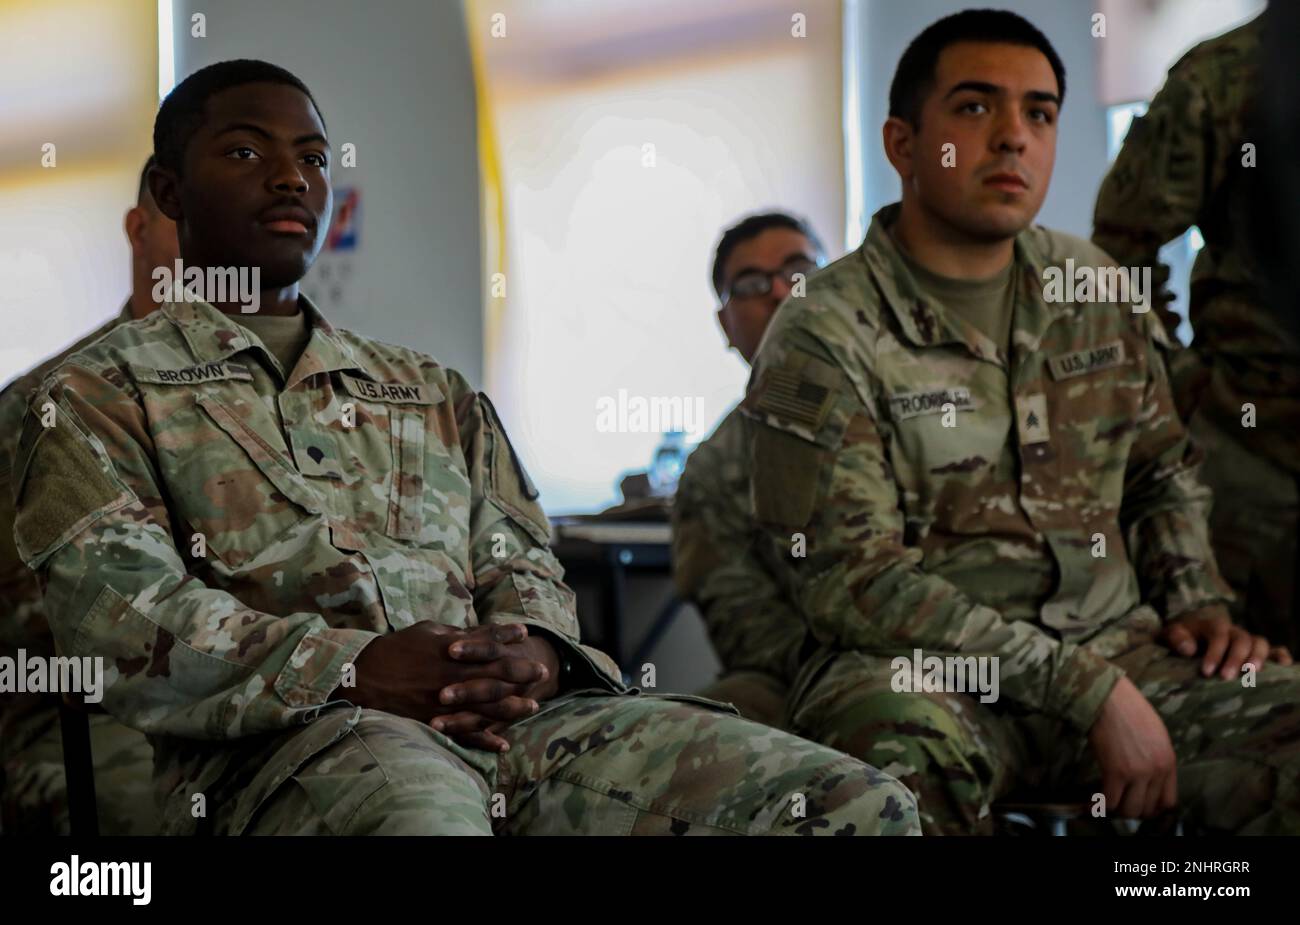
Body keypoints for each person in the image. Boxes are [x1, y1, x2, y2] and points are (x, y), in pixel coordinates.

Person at [9, 59, 919, 836]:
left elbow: (520, 561)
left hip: (512, 729)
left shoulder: (430, 389)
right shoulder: (92, 395)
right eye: (247, 151)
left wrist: (538, 656)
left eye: (313, 159)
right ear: (170, 193)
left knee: (848, 801)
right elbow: (129, 624)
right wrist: (357, 667)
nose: (291, 178)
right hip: (277, 756)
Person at [720, 10, 1299, 834]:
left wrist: (1199, 603)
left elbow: (1161, 468)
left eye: (1039, 113)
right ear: (901, 144)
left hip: (1124, 654)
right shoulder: (823, 331)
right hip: (923, 674)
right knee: (879, 777)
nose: (1012, 138)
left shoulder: (1091, 285)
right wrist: (1083, 689)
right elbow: (856, 581)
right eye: (973, 107)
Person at [1093, 13, 1300, 654]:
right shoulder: (1224, 76)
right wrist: (1181, 384)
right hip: (1254, 451)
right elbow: (1118, 252)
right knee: (1248, 674)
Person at [0, 157, 177, 834]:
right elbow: (43, 627)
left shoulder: (274, 396)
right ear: (140, 229)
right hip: (86, 708)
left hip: (262, 688)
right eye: (182, 220)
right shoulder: (44, 406)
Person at [674, 212, 826, 727]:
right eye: (752, 284)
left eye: (799, 271)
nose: (781, 293)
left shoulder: (916, 402)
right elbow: (754, 636)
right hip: (823, 676)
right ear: (726, 324)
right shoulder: (713, 472)